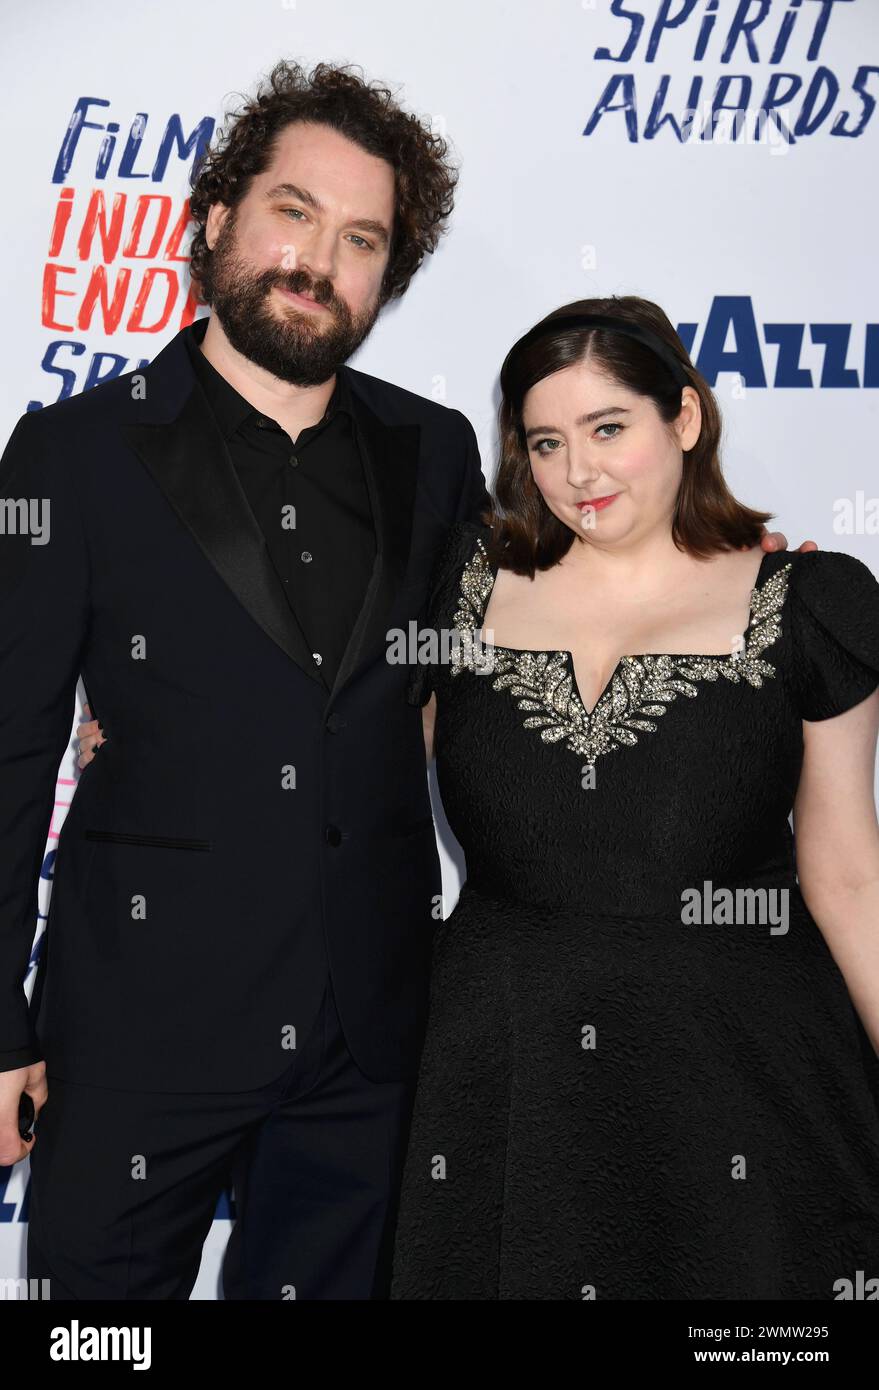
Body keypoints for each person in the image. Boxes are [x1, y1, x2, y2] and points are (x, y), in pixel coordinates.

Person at [0, 58, 494, 1300]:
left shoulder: (435, 453)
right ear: (216, 217)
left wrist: (694, 568)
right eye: (294, 210)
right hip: (138, 1027)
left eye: (363, 237)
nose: (319, 258)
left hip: (365, 1038)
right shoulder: (71, 450)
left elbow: (477, 690)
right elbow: (9, 749)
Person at [388, 296, 879, 1300]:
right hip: (507, 1069)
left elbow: (847, 872)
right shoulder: (462, 586)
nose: (580, 473)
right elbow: (364, 768)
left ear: (685, 419)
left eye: (610, 428)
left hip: (740, 1071)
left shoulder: (809, 605)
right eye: (548, 442)